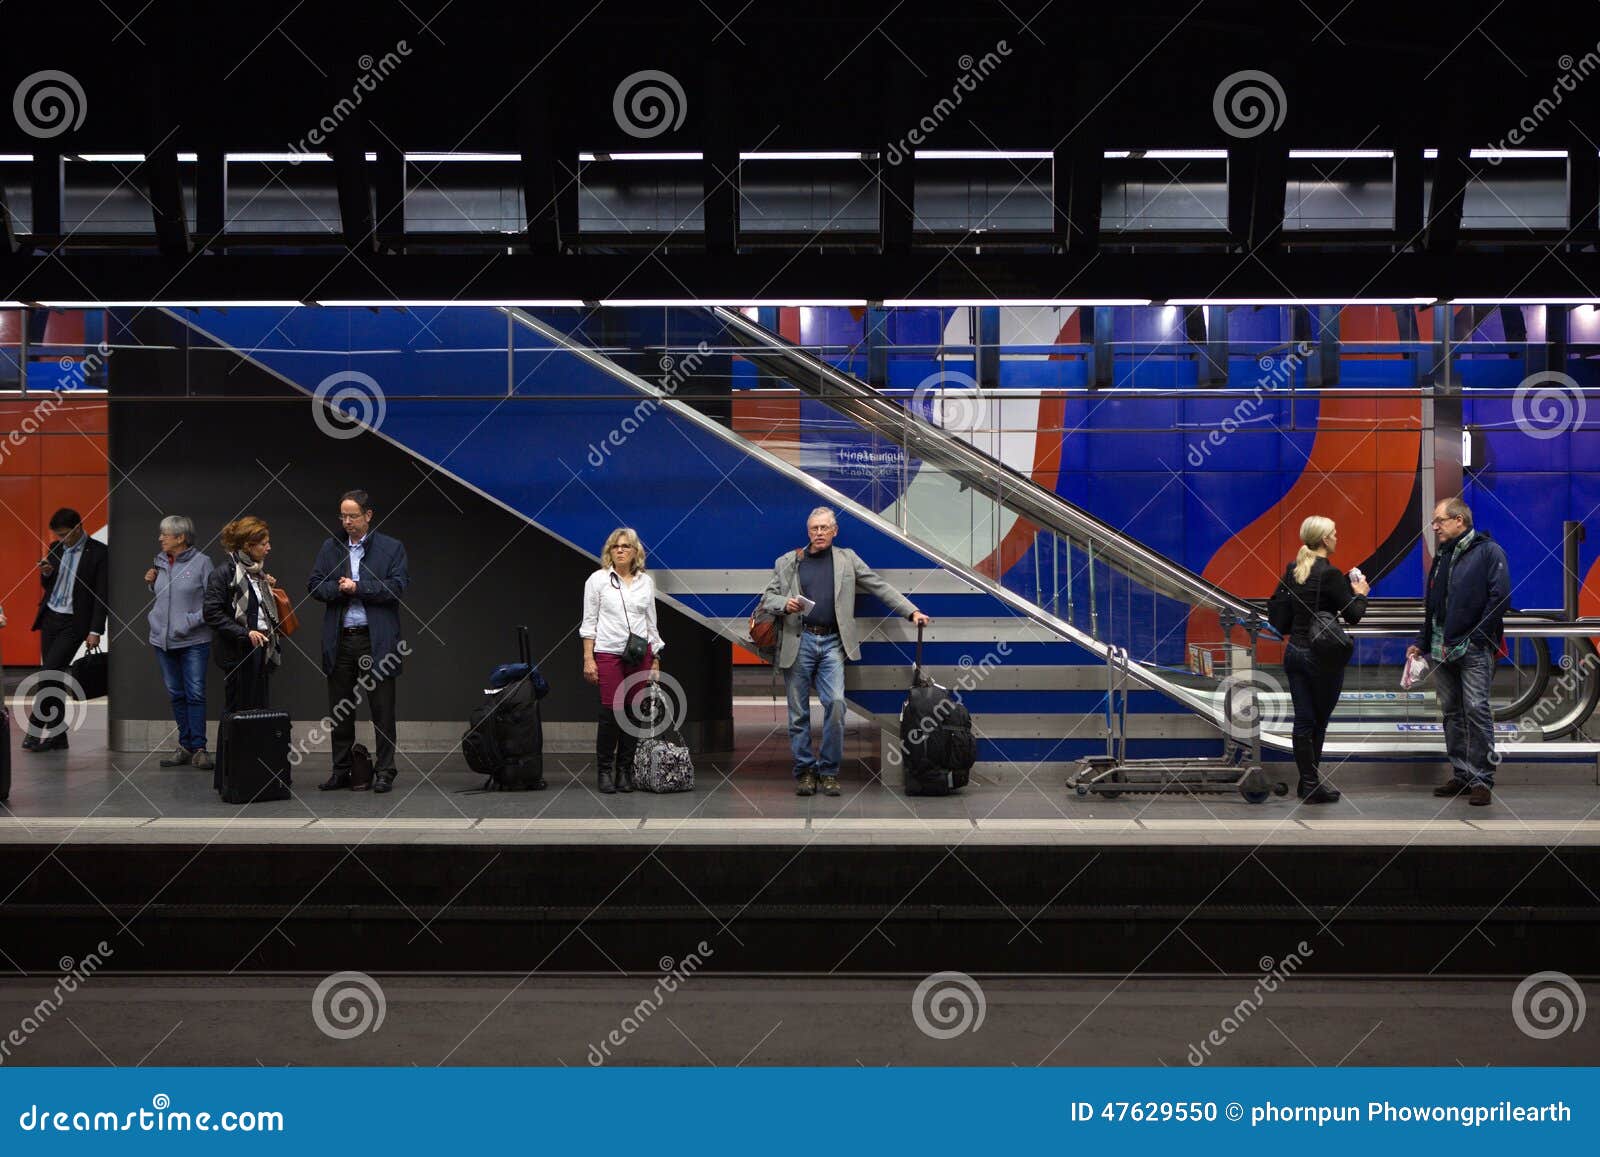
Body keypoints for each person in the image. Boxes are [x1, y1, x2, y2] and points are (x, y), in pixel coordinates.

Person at [761, 507, 932, 797]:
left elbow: (878, 586)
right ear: (808, 531)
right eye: (814, 528)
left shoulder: (847, 559)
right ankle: (804, 771)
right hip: (798, 640)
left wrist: (910, 611)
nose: (819, 533)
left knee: (837, 705)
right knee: (798, 714)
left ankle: (828, 771)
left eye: (824, 528)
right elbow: (767, 597)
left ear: (834, 531)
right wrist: (785, 603)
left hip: (831, 643)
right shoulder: (789, 561)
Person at [1408, 497, 1511, 807]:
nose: (1435, 526)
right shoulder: (1443, 554)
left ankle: (1482, 779)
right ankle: (1462, 773)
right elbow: (1434, 605)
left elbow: (1500, 597)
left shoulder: (1489, 552)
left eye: (1440, 520)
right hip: (1441, 648)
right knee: (1452, 712)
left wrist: (1477, 638)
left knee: (1477, 710)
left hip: (1473, 649)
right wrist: (1423, 641)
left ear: (1459, 521)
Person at [308, 490, 410, 794]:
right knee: (340, 710)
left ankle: (385, 770)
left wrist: (359, 588)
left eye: (353, 515)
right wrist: (340, 590)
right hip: (340, 640)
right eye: (343, 515)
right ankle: (341, 770)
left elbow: (397, 587)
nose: (347, 521)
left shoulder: (391, 548)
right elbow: (314, 585)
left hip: (375, 640)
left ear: (368, 515)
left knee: (382, 709)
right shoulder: (331, 547)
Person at [1267, 515, 1370, 804]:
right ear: (1325, 539)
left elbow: (1280, 608)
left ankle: (1308, 783)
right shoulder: (1329, 573)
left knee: (1303, 720)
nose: (1337, 537)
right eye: (1335, 533)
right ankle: (1310, 784)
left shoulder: (1293, 569)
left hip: (1294, 653)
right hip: (1320, 658)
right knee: (1318, 721)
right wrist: (1360, 593)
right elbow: (1353, 615)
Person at [580, 527, 663, 794]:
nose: (620, 550)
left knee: (631, 712)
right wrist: (588, 658)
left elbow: (651, 623)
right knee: (611, 712)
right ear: (609, 551)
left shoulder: (645, 583)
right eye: (615, 546)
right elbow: (589, 622)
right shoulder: (597, 580)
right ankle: (604, 771)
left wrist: (656, 658)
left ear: (635, 551)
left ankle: (624, 771)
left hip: (640, 655)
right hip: (608, 652)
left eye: (626, 546)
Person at [25, 508, 109, 751]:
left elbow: (101, 595)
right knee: (55, 676)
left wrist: (95, 630)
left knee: (48, 673)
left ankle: (34, 728)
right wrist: (47, 573)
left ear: (77, 527)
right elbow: (48, 585)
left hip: (74, 623)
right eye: (58, 535)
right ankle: (58, 736)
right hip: (50, 617)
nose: (61, 539)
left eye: (64, 534)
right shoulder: (55, 549)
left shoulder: (99, 553)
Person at [145, 515, 215, 770]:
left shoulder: (202, 563)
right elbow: (168, 596)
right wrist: (152, 585)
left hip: (194, 640)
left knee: (195, 694)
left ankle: (200, 748)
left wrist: (188, 622)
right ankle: (184, 746)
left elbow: (213, 602)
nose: (160, 537)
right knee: (176, 694)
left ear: (181, 537)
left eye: (165, 533)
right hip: (162, 641)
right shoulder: (161, 561)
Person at [203, 516, 283, 714]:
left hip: (261, 647)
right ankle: (230, 746)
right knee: (237, 708)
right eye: (264, 544)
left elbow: (258, 609)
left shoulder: (257, 573)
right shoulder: (224, 573)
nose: (269, 548)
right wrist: (244, 632)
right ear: (248, 546)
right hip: (237, 651)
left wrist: (266, 589)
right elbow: (211, 613)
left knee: (259, 706)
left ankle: (254, 746)